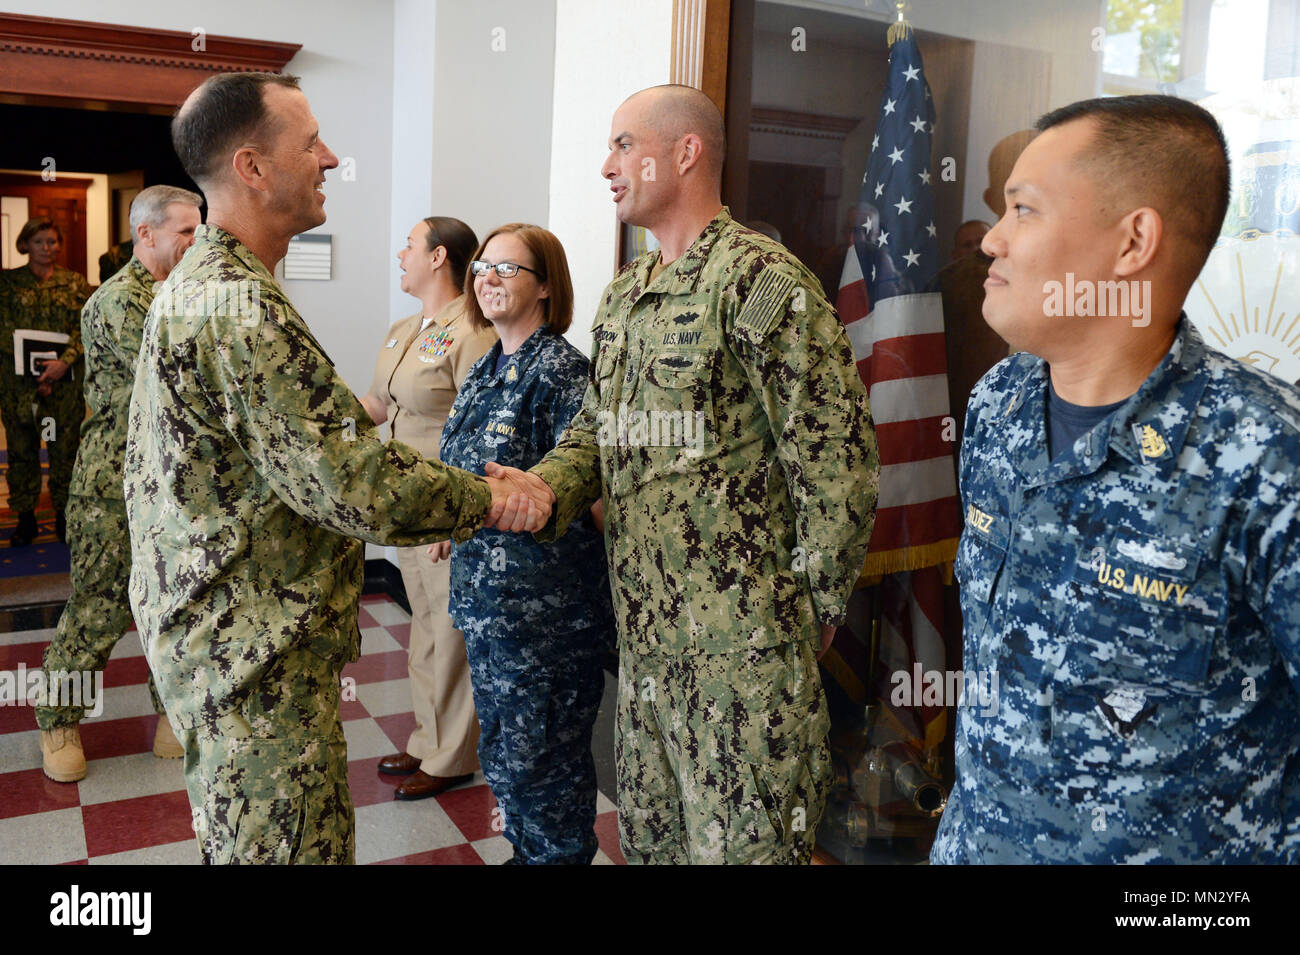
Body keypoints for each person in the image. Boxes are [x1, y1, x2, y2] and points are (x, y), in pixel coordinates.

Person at [124, 71, 543, 865]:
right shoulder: (234, 304)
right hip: (251, 657)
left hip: (230, 639)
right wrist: (491, 497)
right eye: (310, 142)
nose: (331, 158)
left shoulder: (216, 287)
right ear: (252, 166)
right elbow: (348, 480)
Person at [493, 85, 879, 864]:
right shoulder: (628, 294)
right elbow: (597, 431)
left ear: (685, 152)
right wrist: (542, 487)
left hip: (743, 658)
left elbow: (836, 460)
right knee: (656, 846)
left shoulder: (759, 283)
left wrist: (810, 607)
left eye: (624, 145)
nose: (607, 165)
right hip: (643, 649)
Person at [931, 95, 1300, 864]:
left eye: (1024, 210)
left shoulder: (1265, 456)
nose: (992, 240)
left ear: (1133, 242)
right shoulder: (998, 407)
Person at [431, 223, 614, 864]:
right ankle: (526, 854)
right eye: (483, 266)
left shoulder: (562, 373)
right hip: (489, 607)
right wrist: (457, 526)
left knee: (545, 763)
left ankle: (557, 859)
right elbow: (476, 472)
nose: (489, 278)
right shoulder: (486, 368)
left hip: (547, 619)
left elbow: (591, 492)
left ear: (544, 287)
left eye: (508, 269)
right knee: (507, 756)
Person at [36, 185, 202, 783]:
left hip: (172, 483)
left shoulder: (184, 292)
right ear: (147, 235)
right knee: (99, 605)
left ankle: (171, 716)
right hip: (113, 482)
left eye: (199, 227)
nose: (196, 239)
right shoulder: (118, 302)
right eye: (184, 230)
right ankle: (57, 717)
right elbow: (174, 384)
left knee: (171, 602)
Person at [360, 216, 497, 800]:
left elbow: (484, 429)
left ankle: (452, 756)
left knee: (450, 630)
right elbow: (375, 403)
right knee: (423, 625)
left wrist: (460, 514)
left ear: (439, 256)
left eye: (409, 246)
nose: (400, 254)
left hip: (445, 501)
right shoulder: (404, 329)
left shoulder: (474, 331)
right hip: (405, 503)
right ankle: (427, 739)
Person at [0, 218, 92, 546]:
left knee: (62, 452)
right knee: (23, 452)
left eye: (52, 241)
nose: (46, 248)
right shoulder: (7, 284)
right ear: (25, 244)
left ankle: (64, 517)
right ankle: (25, 519)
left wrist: (62, 363)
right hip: (20, 389)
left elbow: (85, 328)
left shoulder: (75, 283)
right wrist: (36, 369)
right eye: (39, 242)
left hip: (62, 389)